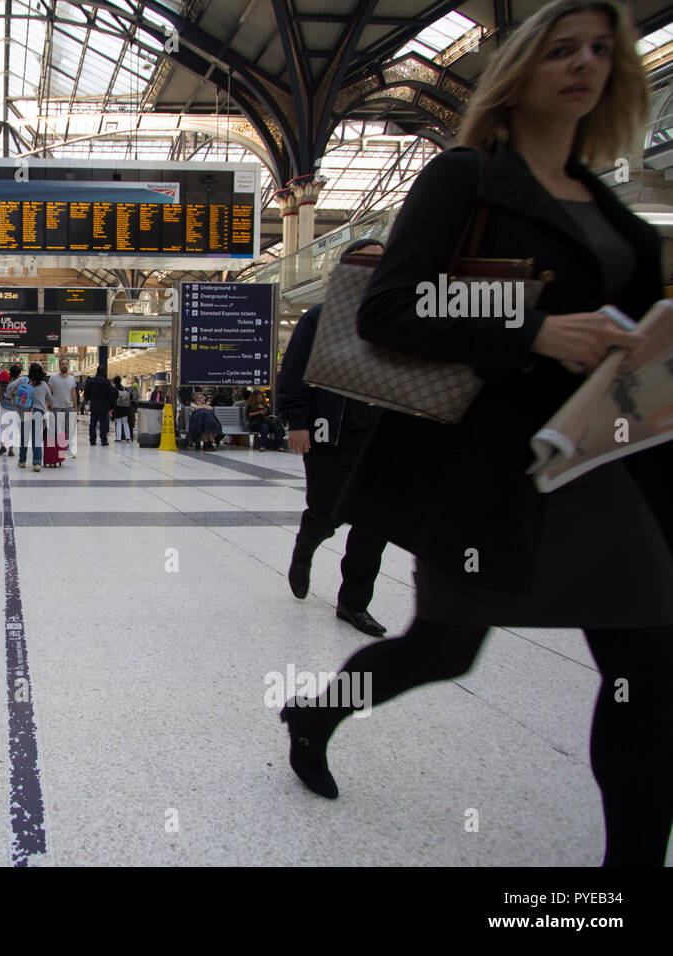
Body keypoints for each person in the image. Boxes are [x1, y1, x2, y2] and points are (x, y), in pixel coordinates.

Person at [278, 0, 673, 867]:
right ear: (520, 70)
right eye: (560, 50)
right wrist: (530, 330)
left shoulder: (605, 199)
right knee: (443, 649)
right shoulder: (464, 178)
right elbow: (390, 308)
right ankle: (316, 710)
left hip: (602, 461)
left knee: (647, 662)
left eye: (601, 51)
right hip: (485, 469)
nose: (584, 64)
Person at [277, 239, 390, 638]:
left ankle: (353, 604)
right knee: (328, 511)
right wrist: (296, 420)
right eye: (364, 263)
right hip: (332, 430)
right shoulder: (319, 318)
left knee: (376, 523)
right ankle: (306, 547)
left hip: (385, 436)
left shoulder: (399, 319)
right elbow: (294, 371)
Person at [8, 362, 52, 472]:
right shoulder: (44, 385)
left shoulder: (23, 380)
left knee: (24, 437)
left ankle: (22, 461)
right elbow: (50, 399)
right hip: (38, 412)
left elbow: (10, 387)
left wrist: (13, 397)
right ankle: (36, 463)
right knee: (36, 437)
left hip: (24, 411)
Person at [47, 359, 79, 461]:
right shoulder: (53, 378)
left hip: (69, 407)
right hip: (57, 408)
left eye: (66, 364)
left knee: (69, 430)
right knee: (59, 430)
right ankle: (59, 449)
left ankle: (67, 449)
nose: (64, 366)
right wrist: (49, 405)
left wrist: (75, 407)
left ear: (68, 365)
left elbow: (73, 393)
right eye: (62, 364)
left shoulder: (72, 379)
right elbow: (49, 392)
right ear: (59, 365)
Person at [85, 366, 115, 446]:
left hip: (94, 404)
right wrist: (110, 405)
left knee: (93, 422)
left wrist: (90, 399)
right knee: (103, 422)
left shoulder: (91, 381)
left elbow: (86, 393)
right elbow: (110, 394)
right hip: (104, 405)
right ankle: (104, 440)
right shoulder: (106, 382)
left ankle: (92, 440)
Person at [0, 364, 20, 456]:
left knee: (2, 427)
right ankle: (11, 450)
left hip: (4, 405)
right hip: (14, 407)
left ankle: (2, 445)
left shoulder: (4, 375)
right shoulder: (20, 381)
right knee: (12, 428)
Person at [110, 376, 132, 442]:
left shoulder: (114, 389)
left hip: (117, 408)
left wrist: (111, 408)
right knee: (125, 423)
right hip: (125, 408)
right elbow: (131, 396)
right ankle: (128, 438)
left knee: (118, 423)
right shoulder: (125, 388)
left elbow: (112, 399)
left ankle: (118, 438)